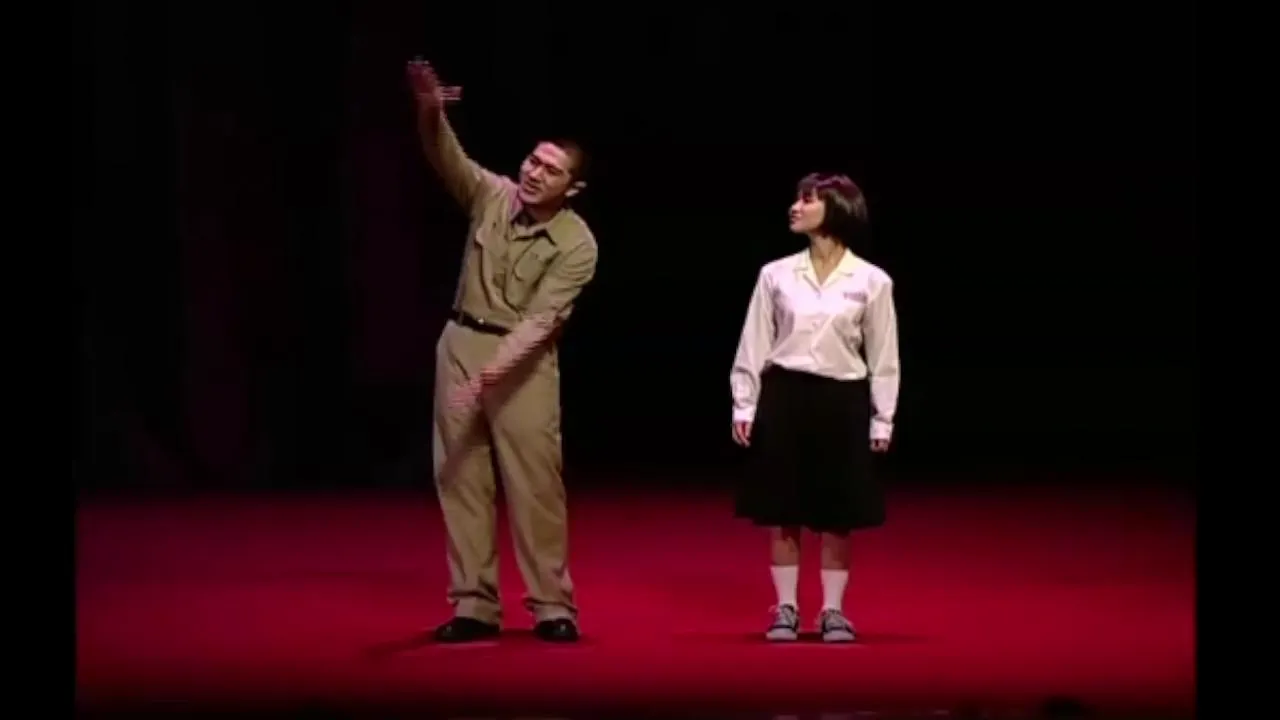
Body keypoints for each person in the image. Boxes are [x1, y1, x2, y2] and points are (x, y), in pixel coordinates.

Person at [406, 59, 598, 643]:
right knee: (461, 477)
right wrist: (430, 111)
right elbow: (446, 157)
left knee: (535, 484)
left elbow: (541, 322)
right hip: (462, 341)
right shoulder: (493, 195)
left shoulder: (577, 244)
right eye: (534, 161)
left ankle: (551, 606)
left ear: (572, 188)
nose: (535, 173)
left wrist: (488, 376)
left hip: (522, 364)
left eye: (551, 170)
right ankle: (474, 605)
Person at [729, 172, 900, 643]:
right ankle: (785, 607)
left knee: (836, 514)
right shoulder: (776, 274)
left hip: (842, 400)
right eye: (797, 199)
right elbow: (754, 342)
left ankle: (832, 611)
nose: (795, 207)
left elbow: (884, 356)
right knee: (783, 508)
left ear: (837, 209)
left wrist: (882, 418)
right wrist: (744, 404)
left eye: (807, 200)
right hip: (785, 397)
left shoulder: (871, 280)